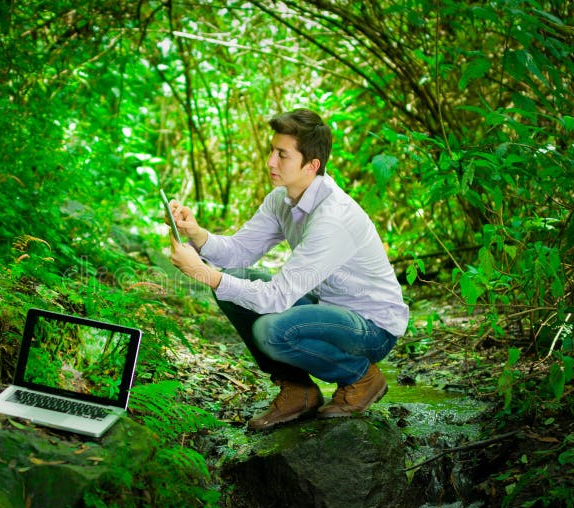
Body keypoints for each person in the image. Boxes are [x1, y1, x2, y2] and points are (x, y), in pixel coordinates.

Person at [167, 108, 408, 430]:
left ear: (312, 165)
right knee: (235, 284)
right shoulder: (282, 199)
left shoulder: (332, 218)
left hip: (372, 329)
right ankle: (298, 391)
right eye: (272, 151)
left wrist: (203, 273)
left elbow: (276, 298)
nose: (270, 162)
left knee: (272, 331)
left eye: (282, 155)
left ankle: (361, 376)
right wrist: (196, 234)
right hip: (328, 312)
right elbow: (239, 253)